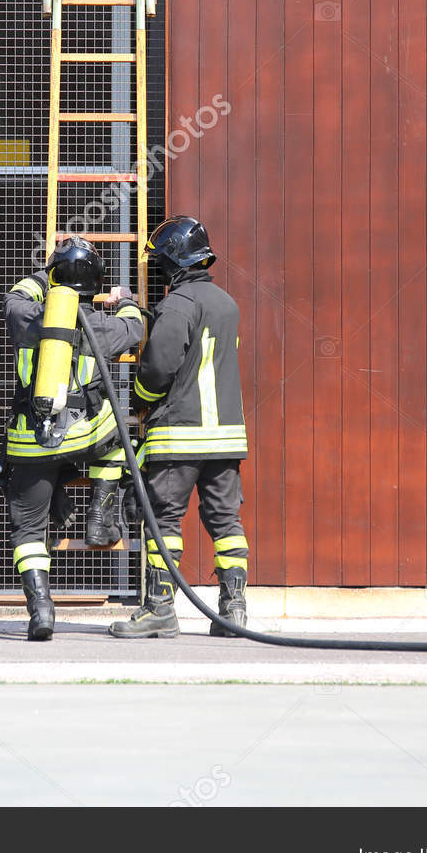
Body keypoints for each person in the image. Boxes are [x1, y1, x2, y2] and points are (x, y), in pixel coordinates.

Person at [111, 216, 250, 639]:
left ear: (172, 261)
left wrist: (139, 399)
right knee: (226, 522)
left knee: (163, 519)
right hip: (225, 439)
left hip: (179, 435)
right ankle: (233, 609)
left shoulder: (178, 305)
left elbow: (158, 370)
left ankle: (159, 608)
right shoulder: (227, 303)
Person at [5, 236, 147, 640]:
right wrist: (124, 298)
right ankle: (100, 515)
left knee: (28, 532)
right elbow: (136, 327)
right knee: (121, 434)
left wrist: (46, 275)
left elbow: (15, 294)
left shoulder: (24, 315)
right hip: (85, 435)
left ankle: (41, 611)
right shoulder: (103, 325)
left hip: (29, 443)